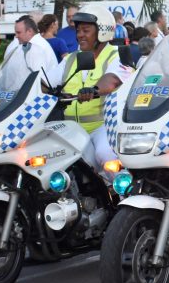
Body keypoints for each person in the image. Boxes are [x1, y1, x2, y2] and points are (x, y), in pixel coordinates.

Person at [52, 12, 132, 178]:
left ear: (102, 32)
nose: (80, 35)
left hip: (103, 126)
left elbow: (111, 80)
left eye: (85, 30)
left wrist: (93, 90)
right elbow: (45, 82)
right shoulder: (70, 59)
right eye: (78, 31)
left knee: (105, 154)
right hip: (71, 128)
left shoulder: (117, 55)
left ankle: (124, 191)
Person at [4, 14, 59, 88]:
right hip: (19, 92)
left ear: (29, 31)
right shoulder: (24, 44)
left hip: (35, 93)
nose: (16, 36)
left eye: (19, 32)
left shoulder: (37, 47)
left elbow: (37, 81)